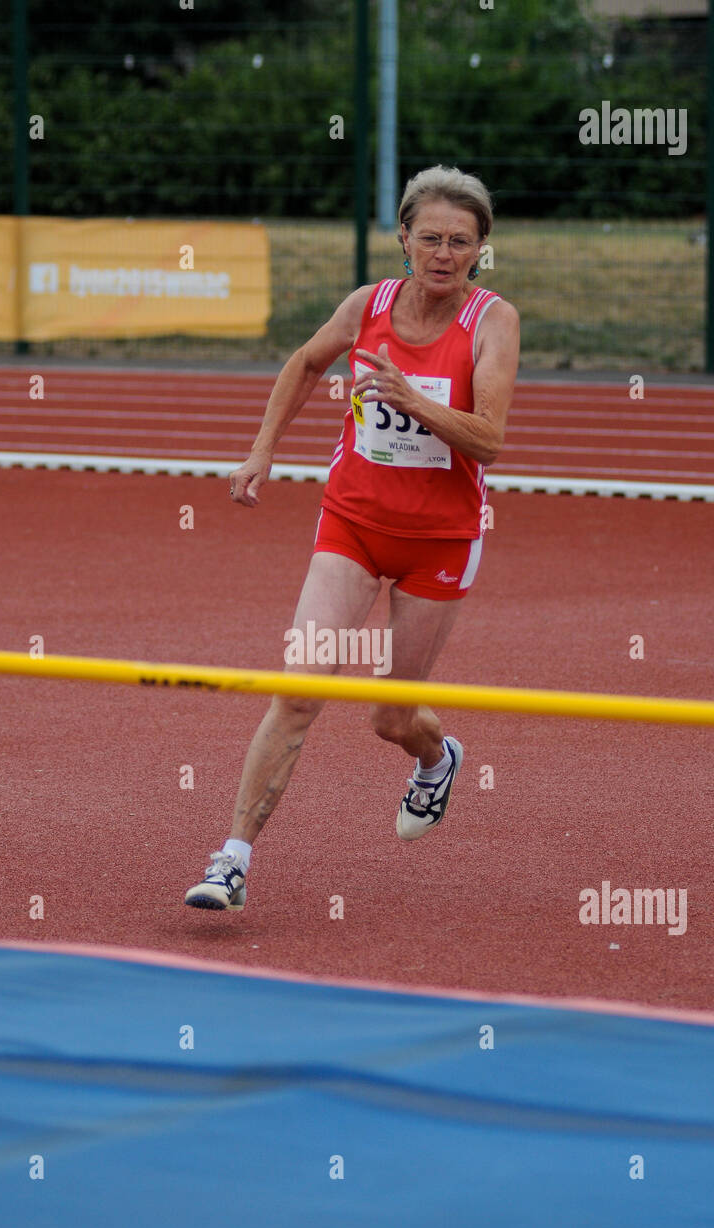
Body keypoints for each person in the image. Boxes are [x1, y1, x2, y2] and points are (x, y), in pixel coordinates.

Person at [185, 164, 520, 911]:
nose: (442, 253)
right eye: (429, 237)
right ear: (402, 239)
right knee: (299, 690)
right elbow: (305, 362)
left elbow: (489, 440)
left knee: (388, 717)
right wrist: (262, 448)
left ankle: (436, 757)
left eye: (459, 242)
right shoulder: (367, 306)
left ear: (479, 250)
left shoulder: (492, 322)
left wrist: (410, 399)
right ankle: (230, 860)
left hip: (440, 540)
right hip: (353, 526)